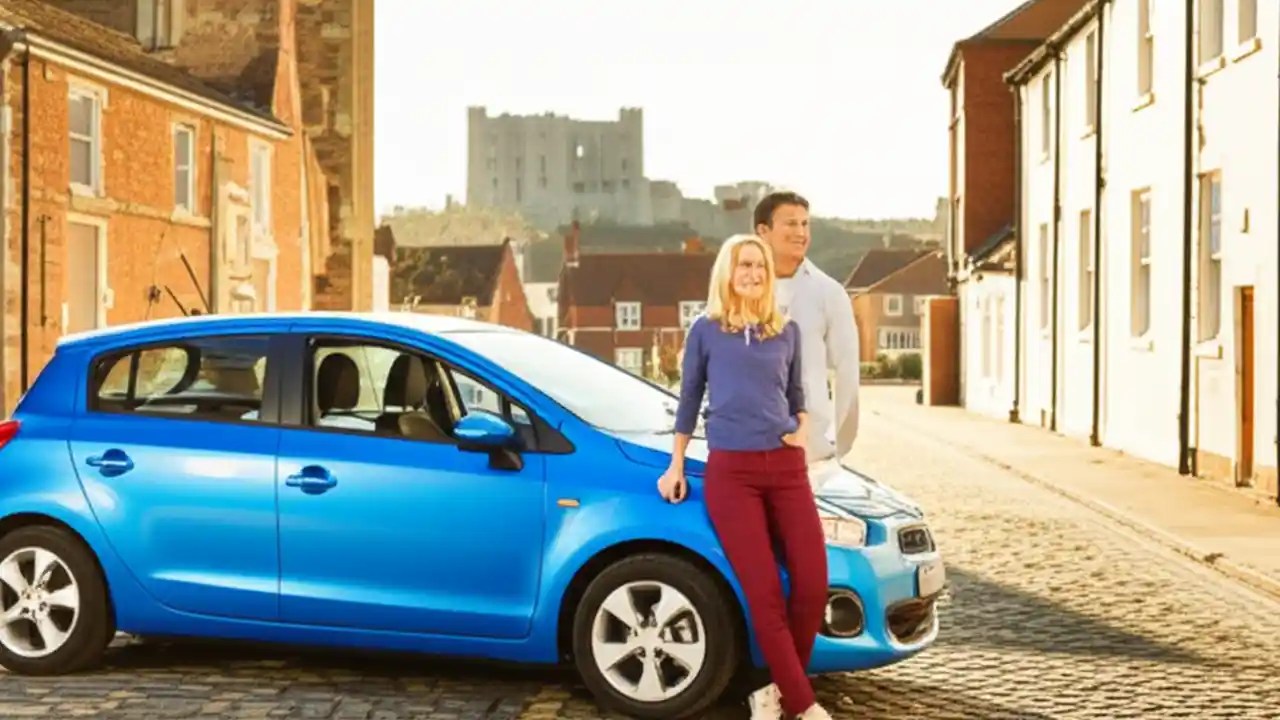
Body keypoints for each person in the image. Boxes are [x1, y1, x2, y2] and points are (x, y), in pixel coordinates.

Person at [658, 234, 833, 720]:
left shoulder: (788, 331)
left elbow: (796, 394)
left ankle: (774, 693)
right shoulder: (706, 330)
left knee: (813, 583)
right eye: (743, 266)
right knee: (765, 593)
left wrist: (801, 426)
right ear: (727, 274)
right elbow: (689, 398)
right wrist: (676, 463)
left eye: (759, 264)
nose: (753, 273)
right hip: (732, 473)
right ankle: (803, 706)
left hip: (786, 467)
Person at [754, 191, 860, 490]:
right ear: (763, 231)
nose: (801, 233)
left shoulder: (830, 293)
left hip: (811, 455)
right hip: (747, 445)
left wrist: (837, 446)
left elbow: (847, 372)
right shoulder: (739, 291)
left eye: (805, 224)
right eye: (791, 224)